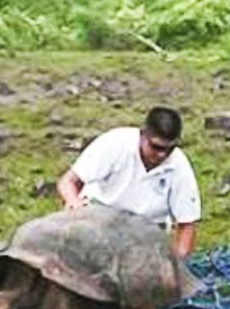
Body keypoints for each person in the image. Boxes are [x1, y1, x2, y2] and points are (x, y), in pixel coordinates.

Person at [56, 107, 201, 259]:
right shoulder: (114, 143)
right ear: (143, 135)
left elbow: (187, 224)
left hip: (146, 232)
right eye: (156, 147)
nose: (162, 155)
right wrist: (73, 201)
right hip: (98, 217)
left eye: (170, 149)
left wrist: (177, 264)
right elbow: (68, 181)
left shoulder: (179, 166)